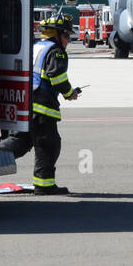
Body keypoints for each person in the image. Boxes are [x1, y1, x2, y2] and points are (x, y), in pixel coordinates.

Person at [30, 14, 80, 194]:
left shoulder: (37, 46)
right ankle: (44, 186)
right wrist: (70, 93)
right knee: (49, 144)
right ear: (57, 34)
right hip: (42, 106)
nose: (68, 40)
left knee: (21, 142)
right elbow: (57, 78)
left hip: (27, 104)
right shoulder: (56, 51)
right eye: (67, 35)